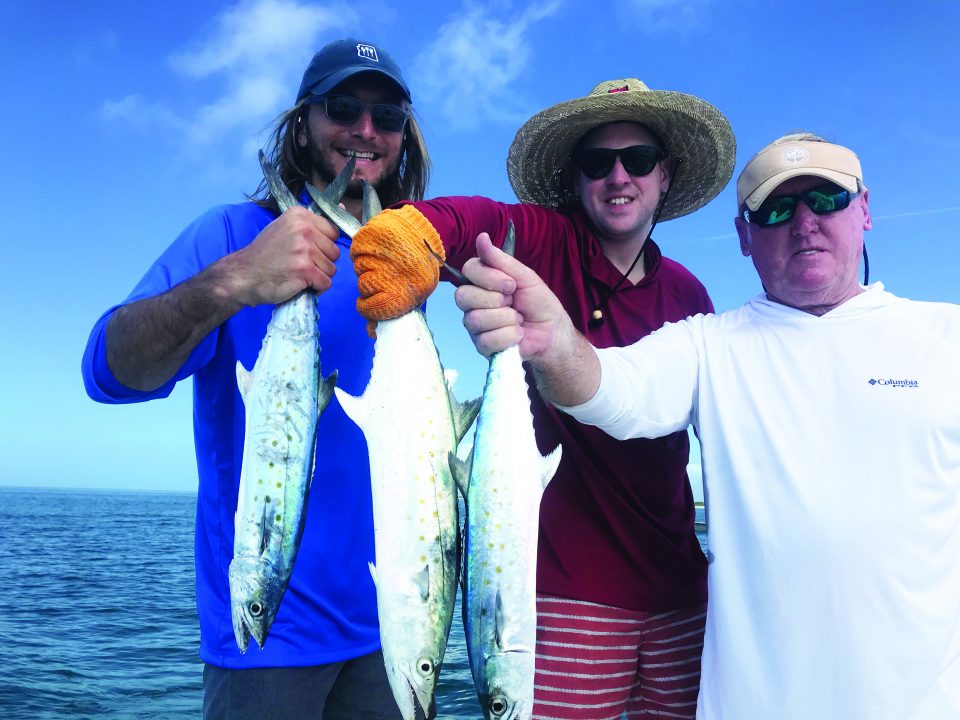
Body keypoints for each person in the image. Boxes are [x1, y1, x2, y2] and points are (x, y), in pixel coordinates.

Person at [448, 133, 960, 719]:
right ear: (743, 236)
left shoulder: (947, 338)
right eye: (773, 209)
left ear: (864, 210)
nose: (802, 223)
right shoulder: (709, 342)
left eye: (825, 200)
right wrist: (555, 342)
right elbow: (613, 389)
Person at [348, 78, 735, 719]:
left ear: (664, 176)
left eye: (637, 160)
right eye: (596, 162)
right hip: (561, 593)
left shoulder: (690, 297)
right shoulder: (540, 239)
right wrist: (412, 234)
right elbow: (469, 220)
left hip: (681, 598)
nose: (618, 176)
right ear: (576, 179)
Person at [81, 38, 431, 720]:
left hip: (397, 622)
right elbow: (107, 371)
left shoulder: (398, 262)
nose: (365, 130)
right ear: (303, 120)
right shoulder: (232, 233)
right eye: (343, 108)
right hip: (271, 638)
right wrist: (238, 278)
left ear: (403, 137)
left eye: (386, 117)